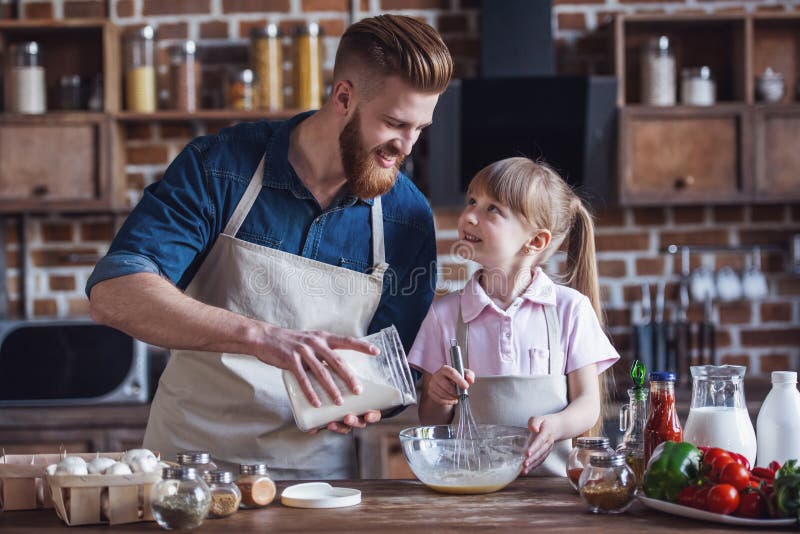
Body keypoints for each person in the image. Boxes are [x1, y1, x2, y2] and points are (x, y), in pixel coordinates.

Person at [86, 14, 453, 479]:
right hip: (188, 468)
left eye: (420, 128)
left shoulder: (407, 217)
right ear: (344, 97)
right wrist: (263, 338)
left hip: (315, 479)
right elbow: (114, 293)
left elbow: (399, 368)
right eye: (394, 123)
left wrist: (373, 402)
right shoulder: (221, 168)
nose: (406, 146)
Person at [408, 157, 620, 476]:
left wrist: (557, 425)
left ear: (535, 241)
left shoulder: (570, 310)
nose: (469, 216)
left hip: (550, 495)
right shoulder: (444, 315)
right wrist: (439, 397)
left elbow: (588, 404)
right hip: (473, 491)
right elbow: (431, 421)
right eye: (472, 201)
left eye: (492, 209)